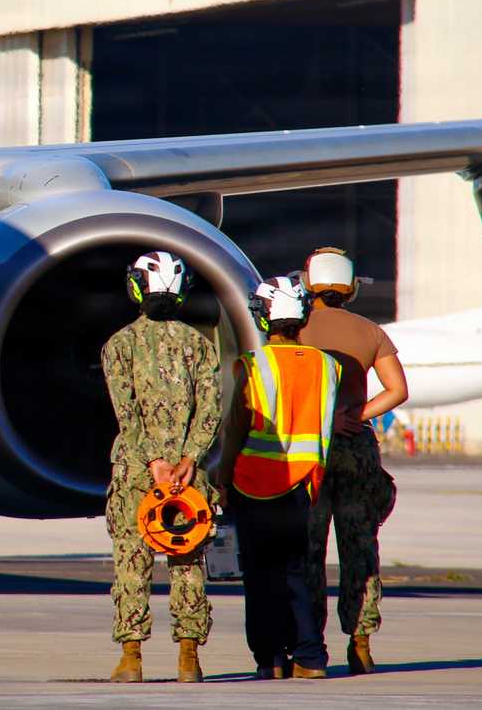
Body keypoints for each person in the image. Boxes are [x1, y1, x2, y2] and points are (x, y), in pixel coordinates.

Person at [101, 251, 220, 684]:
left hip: (137, 471)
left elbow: (126, 412)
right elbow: (210, 410)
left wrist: (153, 461)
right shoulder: (199, 346)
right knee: (187, 561)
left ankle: (131, 658)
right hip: (189, 475)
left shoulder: (119, 346)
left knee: (132, 561)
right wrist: (189, 458)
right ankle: (189, 659)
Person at [216, 276, 340, 679]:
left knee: (260, 577)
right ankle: (311, 658)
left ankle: (269, 659)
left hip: (255, 484)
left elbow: (237, 427)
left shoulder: (255, 365)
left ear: (264, 317)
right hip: (306, 485)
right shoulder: (327, 364)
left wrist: (223, 477)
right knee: (300, 573)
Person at [297, 247, 407, 674]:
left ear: (309, 284)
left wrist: (324, 419)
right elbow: (397, 390)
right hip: (357, 447)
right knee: (360, 548)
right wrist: (354, 415)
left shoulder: (295, 328)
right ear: (351, 286)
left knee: (309, 549)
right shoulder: (370, 331)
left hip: (312, 450)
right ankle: (360, 643)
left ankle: (309, 643)